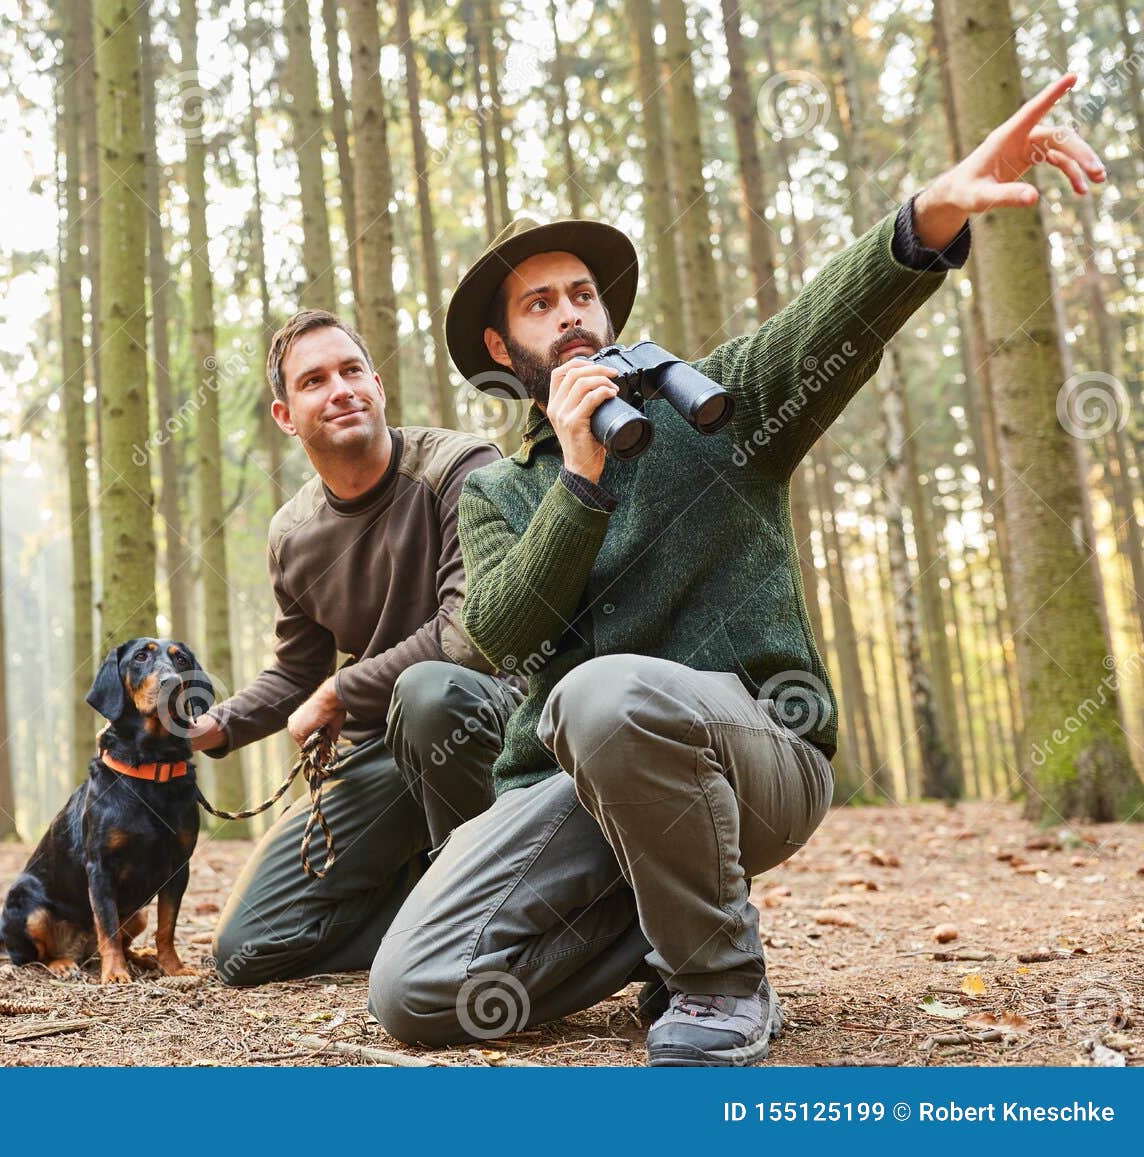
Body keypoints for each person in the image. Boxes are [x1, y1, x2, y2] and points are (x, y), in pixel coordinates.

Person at [368, 75, 1108, 1065]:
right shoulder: (498, 490)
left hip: (758, 755)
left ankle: (719, 979)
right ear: (505, 347)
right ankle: (669, 924)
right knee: (413, 986)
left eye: (582, 294)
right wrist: (579, 480)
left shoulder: (719, 408)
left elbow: (831, 319)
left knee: (602, 694)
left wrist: (930, 212)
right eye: (541, 305)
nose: (571, 315)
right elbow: (500, 631)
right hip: (578, 796)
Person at [190, 308, 522, 985]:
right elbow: (297, 672)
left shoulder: (462, 467)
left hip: (488, 725)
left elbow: (470, 634)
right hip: (379, 755)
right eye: (314, 381)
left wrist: (341, 690)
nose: (339, 389)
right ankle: (426, 916)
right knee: (246, 947)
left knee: (430, 694)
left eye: (351, 371)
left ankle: (495, 915)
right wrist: (212, 727)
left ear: (377, 384)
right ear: (286, 416)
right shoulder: (293, 535)